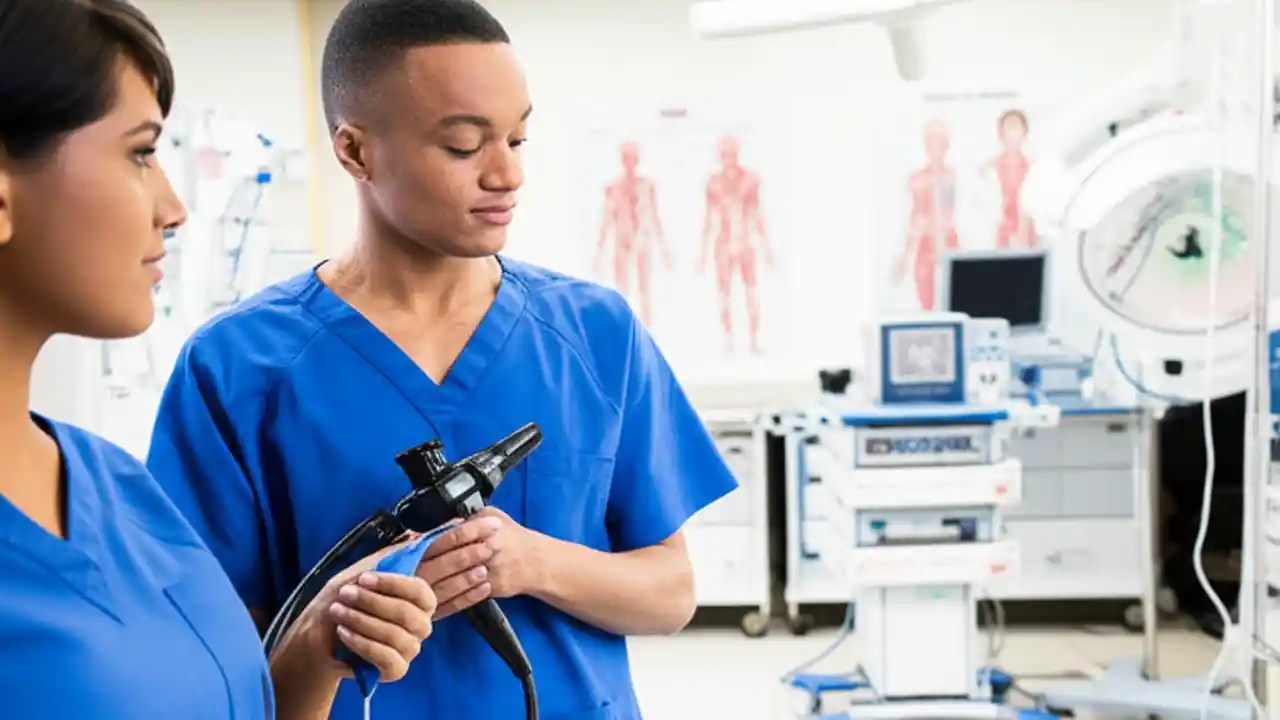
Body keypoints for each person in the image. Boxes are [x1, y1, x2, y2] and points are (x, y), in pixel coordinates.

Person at [145, 0, 739, 718]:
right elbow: (204, 654)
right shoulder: (238, 367)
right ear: (356, 151)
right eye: (464, 147)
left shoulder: (595, 335)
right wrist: (328, 629)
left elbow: (670, 594)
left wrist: (533, 561)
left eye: (517, 140)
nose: (506, 174)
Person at [0, 2, 437, 718]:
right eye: (140, 153)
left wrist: (315, 649)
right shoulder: (234, 364)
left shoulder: (119, 490)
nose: (173, 208)